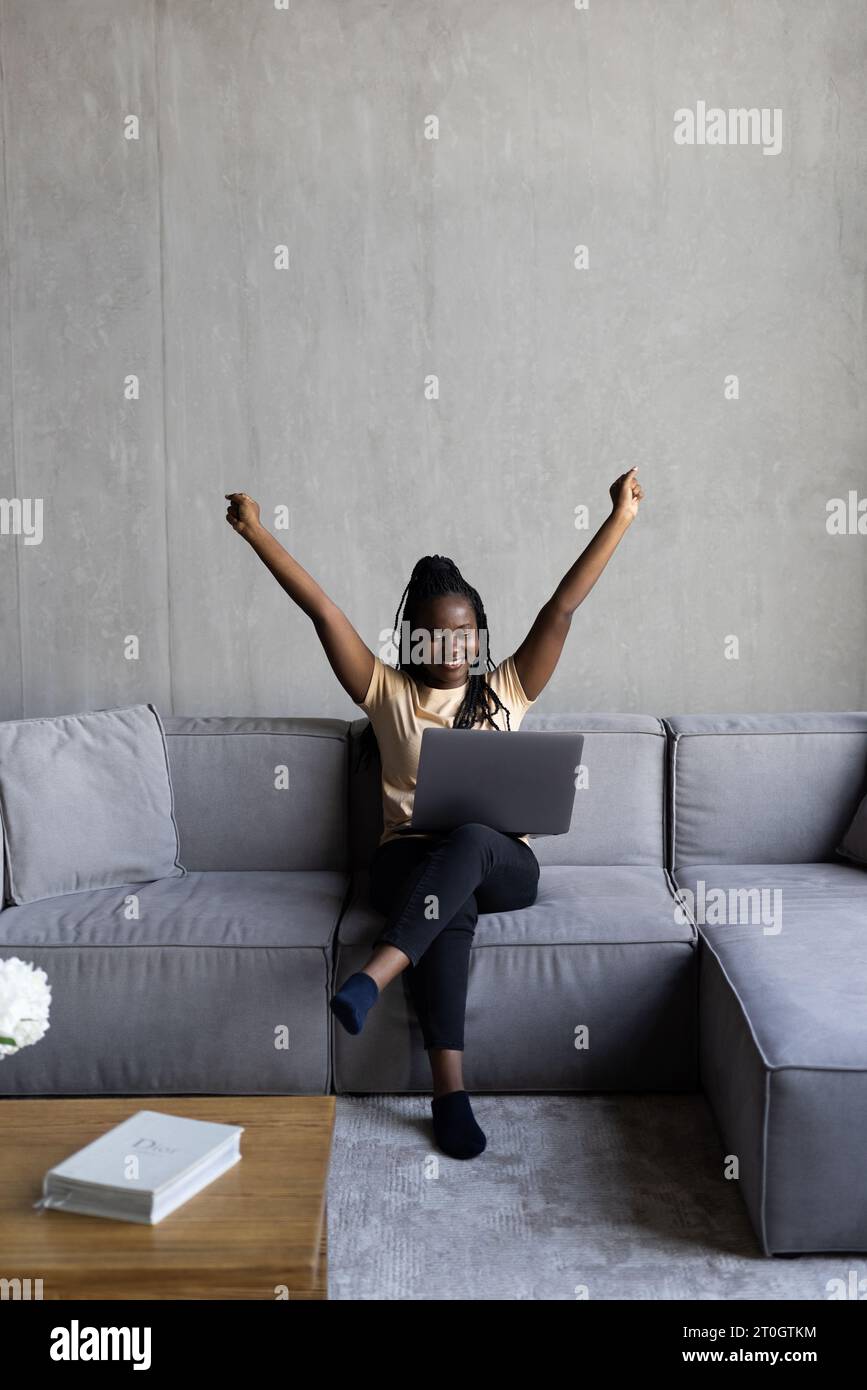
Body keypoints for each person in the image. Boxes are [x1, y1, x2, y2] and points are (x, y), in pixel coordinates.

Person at [225, 468, 643, 1158]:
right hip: (407, 864)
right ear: (410, 642)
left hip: (502, 862)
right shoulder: (385, 692)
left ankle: (373, 976)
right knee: (451, 902)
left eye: (465, 636)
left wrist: (620, 517)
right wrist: (256, 533)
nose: (453, 651)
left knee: (474, 839)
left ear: (480, 634)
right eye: (435, 638)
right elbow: (324, 613)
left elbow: (561, 610)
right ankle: (449, 1095)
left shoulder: (508, 687)